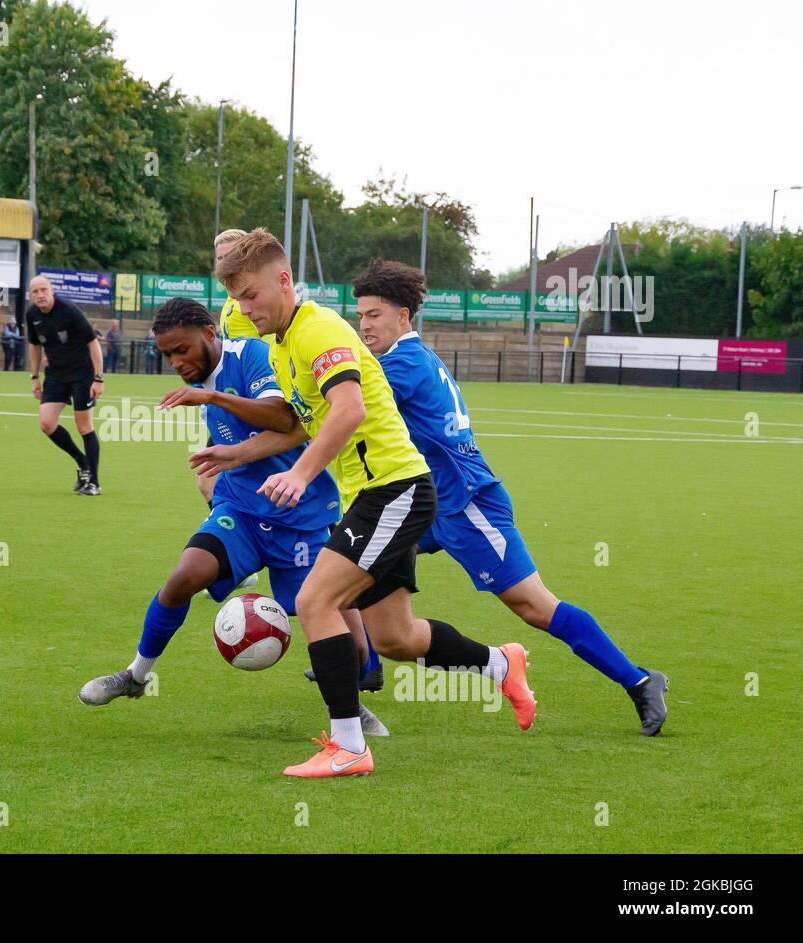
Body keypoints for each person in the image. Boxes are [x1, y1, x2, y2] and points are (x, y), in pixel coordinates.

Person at [202, 228, 535, 778]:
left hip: (394, 489)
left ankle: (350, 745)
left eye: (252, 295)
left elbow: (349, 410)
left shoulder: (318, 329)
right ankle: (501, 664)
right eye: (236, 299)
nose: (243, 308)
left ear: (284, 282)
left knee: (315, 603)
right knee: (395, 637)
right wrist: (236, 454)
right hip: (377, 494)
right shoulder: (284, 344)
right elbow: (295, 427)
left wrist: (302, 476)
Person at [354, 259, 668, 735]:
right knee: (352, 565)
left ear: (403, 316)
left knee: (534, 606)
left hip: (466, 505)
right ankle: (367, 662)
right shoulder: (408, 358)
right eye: (360, 315)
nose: (364, 325)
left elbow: (348, 410)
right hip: (427, 501)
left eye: (374, 314)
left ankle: (641, 681)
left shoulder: (401, 365)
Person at [78, 299, 390, 737]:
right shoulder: (206, 384)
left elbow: (283, 418)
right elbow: (231, 435)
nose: (177, 362)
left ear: (209, 333)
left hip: (299, 520)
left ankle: (352, 706)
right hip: (241, 513)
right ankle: (135, 676)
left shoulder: (251, 356)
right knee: (184, 576)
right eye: (168, 355)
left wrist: (210, 395)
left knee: (352, 644)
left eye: (182, 349)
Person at [25, 274, 104, 495]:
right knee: (46, 423)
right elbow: (34, 346)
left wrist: (98, 378)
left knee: (84, 425)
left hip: (82, 373)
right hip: (56, 375)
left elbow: (93, 344)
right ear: (31, 296)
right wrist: (34, 376)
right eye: (35, 292)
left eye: (43, 290)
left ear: (51, 291)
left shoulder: (69, 310)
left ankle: (94, 483)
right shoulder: (32, 315)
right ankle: (82, 462)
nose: (40, 295)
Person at [213, 229, 264, 341]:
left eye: (229, 256)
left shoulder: (257, 296)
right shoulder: (231, 296)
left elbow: (273, 349)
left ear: (246, 257)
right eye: (220, 258)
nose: (223, 264)